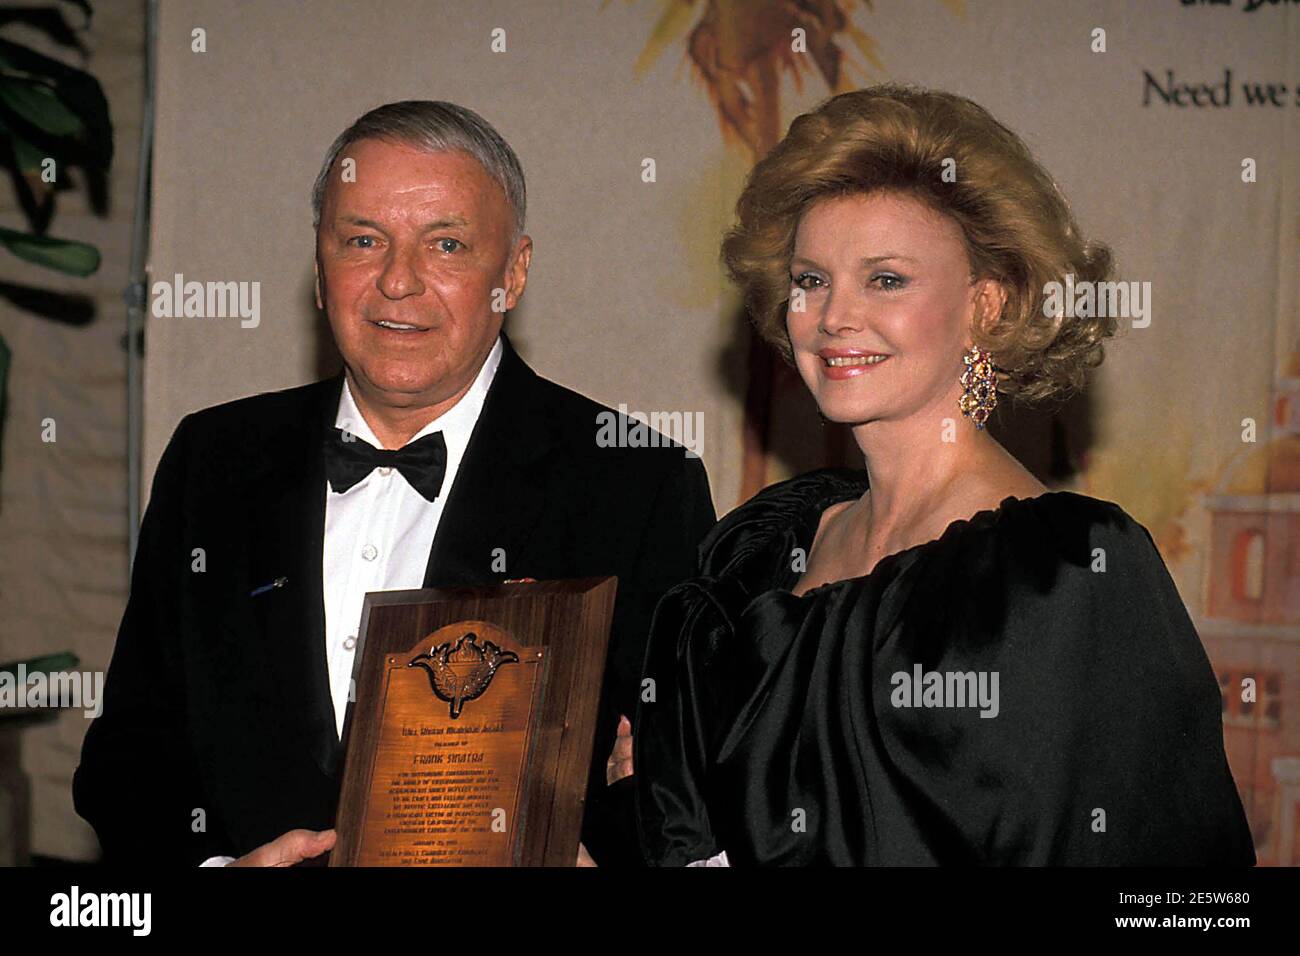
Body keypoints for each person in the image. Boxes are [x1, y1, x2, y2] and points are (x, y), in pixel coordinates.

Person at [73, 100, 714, 867]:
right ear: (318, 265)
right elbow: (129, 757)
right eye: (363, 240)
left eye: (446, 244)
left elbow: (678, 785)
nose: (397, 281)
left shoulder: (634, 481)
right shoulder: (213, 458)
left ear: (512, 272)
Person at [633, 84, 1256, 866]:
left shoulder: (1062, 575)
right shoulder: (760, 552)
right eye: (811, 279)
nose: (833, 316)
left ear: (987, 307)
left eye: (886, 279)